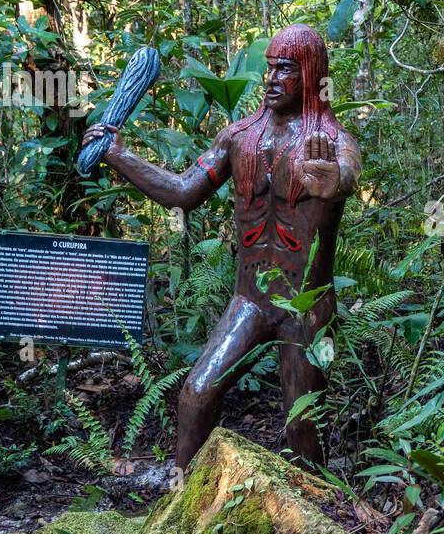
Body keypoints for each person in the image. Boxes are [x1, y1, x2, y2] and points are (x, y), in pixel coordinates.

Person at [82, 24, 361, 469]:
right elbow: (181, 192)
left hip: (306, 306)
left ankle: (313, 506)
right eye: (270, 68)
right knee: (196, 394)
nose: (272, 79)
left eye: (285, 70)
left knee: (303, 428)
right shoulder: (238, 138)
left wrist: (336, 182)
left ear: (310, 75)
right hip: (251, 300)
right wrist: (119, 154)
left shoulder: (331, 142)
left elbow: (346, 172)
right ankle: (183, 497)